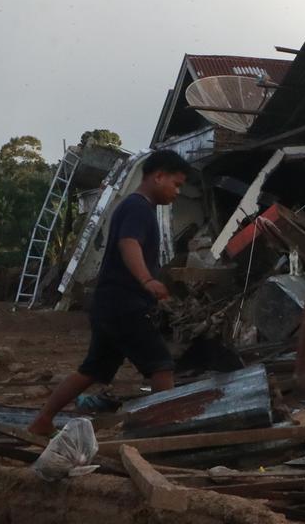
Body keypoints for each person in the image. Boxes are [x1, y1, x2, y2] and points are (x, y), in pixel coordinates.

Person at [28, 150, 189, 436]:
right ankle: (164, 431)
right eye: (176, 184)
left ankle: (43, 421)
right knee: (161, 366)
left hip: (109, 305)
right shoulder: (139, 208)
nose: (177, 192)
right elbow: (129, 244)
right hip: (125, 304)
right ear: (158, 176)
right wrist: (147, 280)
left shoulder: (136, 206)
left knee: (93, 370)